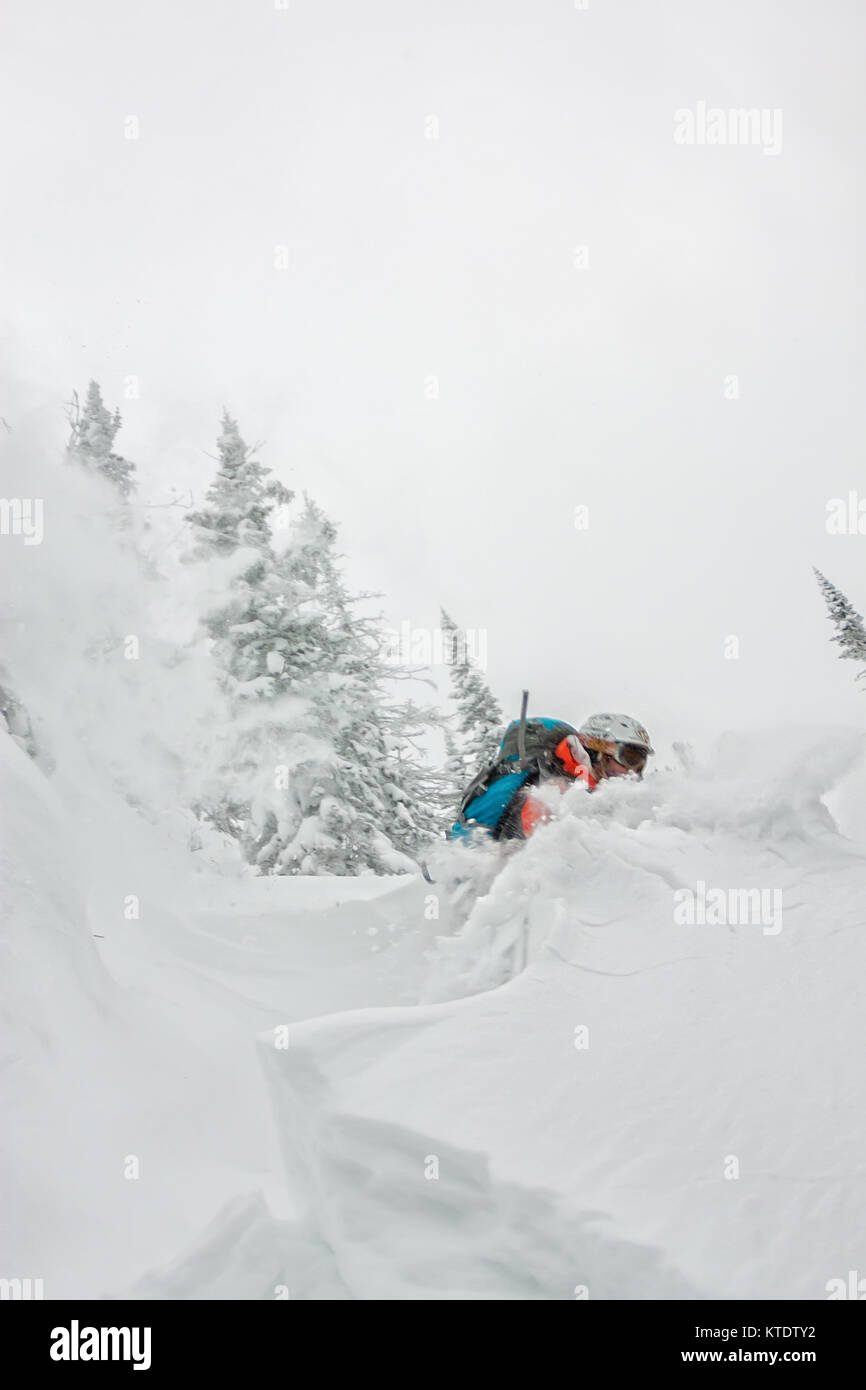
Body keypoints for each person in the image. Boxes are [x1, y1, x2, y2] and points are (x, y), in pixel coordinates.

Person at [450, 711, 654, 843]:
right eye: (630, 757)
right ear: (595, 750)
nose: (633, 771)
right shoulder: (553, 791)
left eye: (640, 764)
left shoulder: (588, 791)